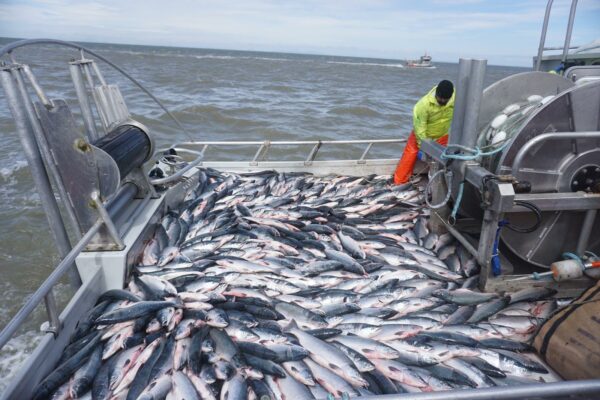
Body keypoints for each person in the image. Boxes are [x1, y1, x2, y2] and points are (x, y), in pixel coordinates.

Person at [393, 80, 455, 184]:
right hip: (422, 135)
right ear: (436, 94)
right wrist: (424, 146)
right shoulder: (423, 105)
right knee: (409, 156)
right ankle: (398, 183)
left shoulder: (456, 99)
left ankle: (439, 183)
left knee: (444, 159)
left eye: (446, 99)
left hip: (442, 135)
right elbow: (420, 128)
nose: (443, 101)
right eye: (441, 98)